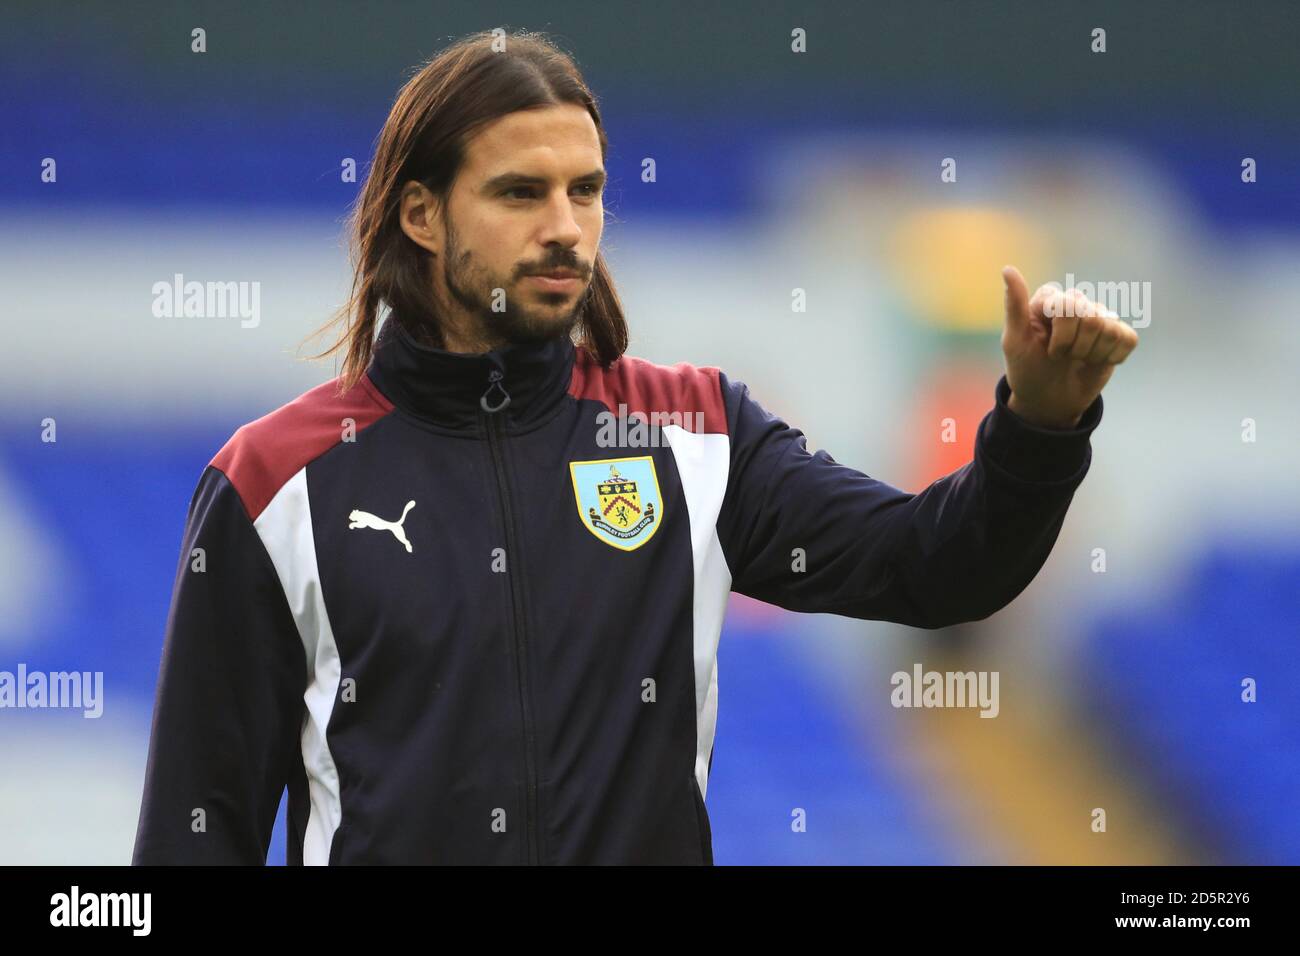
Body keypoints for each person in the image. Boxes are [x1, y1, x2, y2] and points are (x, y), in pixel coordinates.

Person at [131, 30, 1137, 866]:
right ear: (422, 215)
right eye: (522, 193)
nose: (567, 228)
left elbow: (936, 567)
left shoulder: (692, 432)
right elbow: (193, 826)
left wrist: (1038, 426)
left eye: (587, 190)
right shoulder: (275, 480)